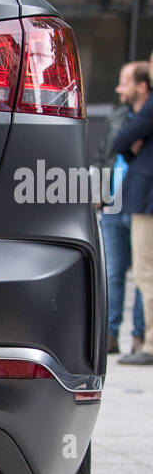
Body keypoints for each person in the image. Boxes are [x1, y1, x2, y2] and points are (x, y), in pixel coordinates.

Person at [100, 62, 147, 353]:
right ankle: (110, 336)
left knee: (144, 274)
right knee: (114, 273)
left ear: (141, 86)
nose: (118, 89)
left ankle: (140, 336)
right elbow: (102, 155)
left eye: (124, 83)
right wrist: (97, 193)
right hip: (114, 205)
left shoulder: (149, 118)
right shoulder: (118, 117)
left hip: (143, 203)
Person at [115, 64, 153, 365]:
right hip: (137, 199)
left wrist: (133, 152)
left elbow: (120, 140)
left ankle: (150, 344)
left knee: (145, 273)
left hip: (147, 199)